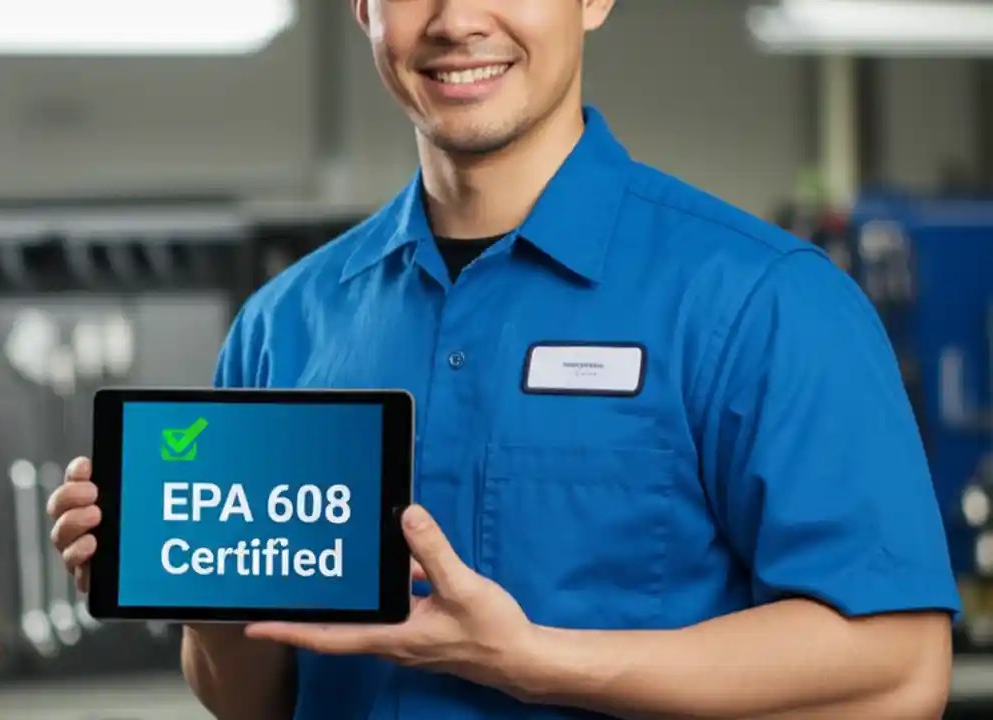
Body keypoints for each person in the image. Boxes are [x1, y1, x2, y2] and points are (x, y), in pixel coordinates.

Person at [47, 1, 960, 717]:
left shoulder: (765, 300)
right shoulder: (286, 326)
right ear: (363, 7)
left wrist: (532, 662)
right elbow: (260, 702)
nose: (455, 19)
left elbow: (893, 673)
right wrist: (199, 592)